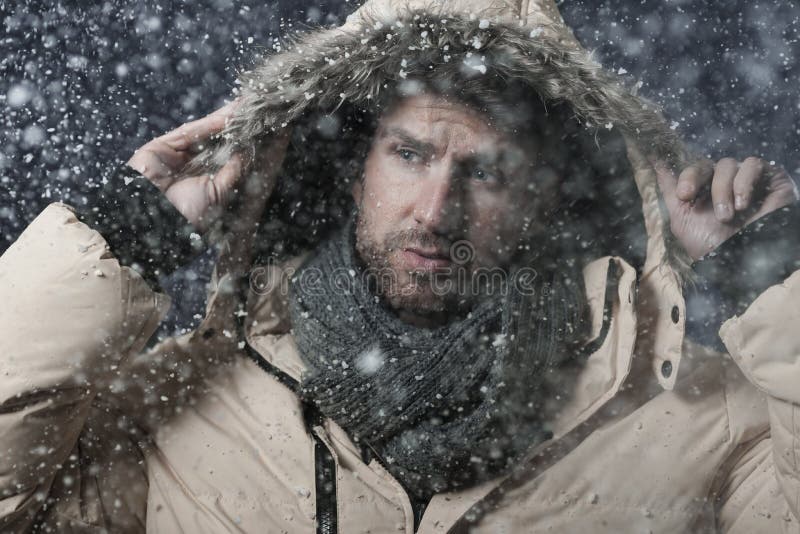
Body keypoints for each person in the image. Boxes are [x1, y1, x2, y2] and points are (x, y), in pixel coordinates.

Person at [1, 1, 799, 532]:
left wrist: (775, 273)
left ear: (539, 201)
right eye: (410, 155)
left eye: (486, 172)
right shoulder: (179, 406)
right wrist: (130, 231)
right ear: (356, 171)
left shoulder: (694, 416)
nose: (434, 210)